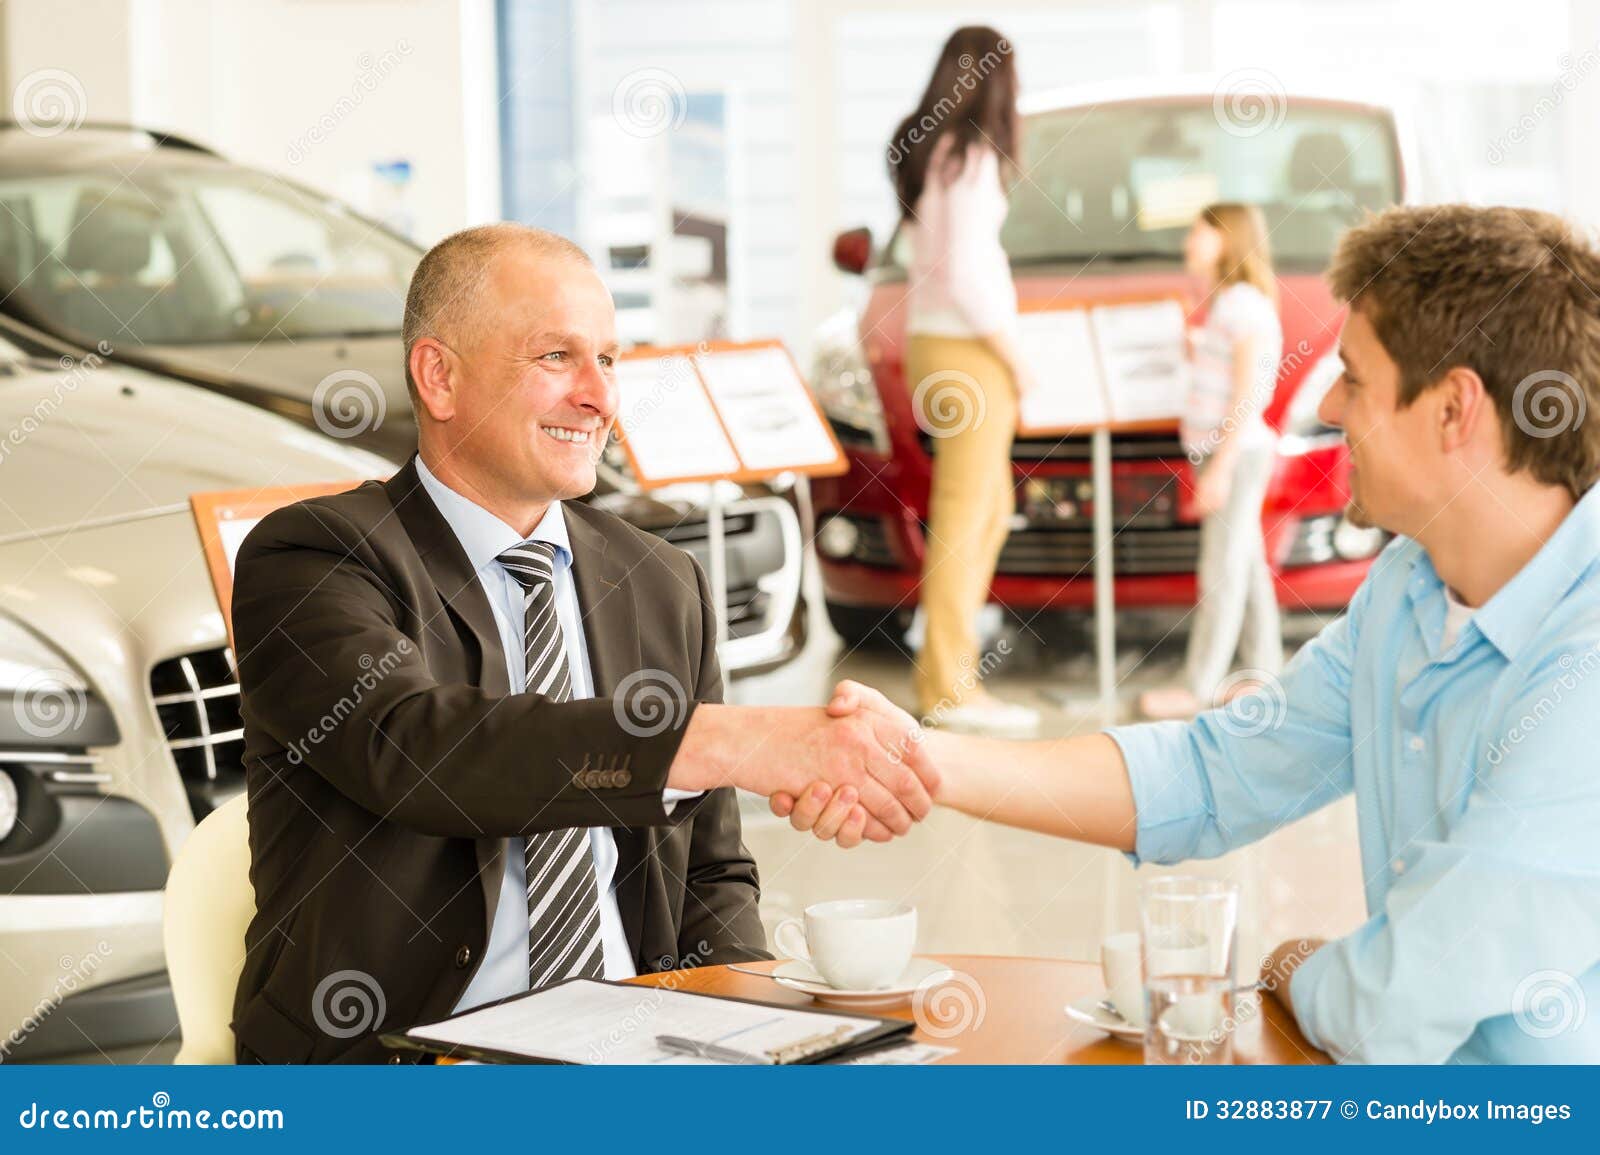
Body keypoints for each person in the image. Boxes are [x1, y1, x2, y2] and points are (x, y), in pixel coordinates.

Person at [780, 204, 1600, 1063]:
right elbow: (1217, 771)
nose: (1325, 403)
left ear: (1454, 409)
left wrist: (1295, 966)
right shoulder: (1408, 587)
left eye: (1353, 378)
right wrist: (921, 757)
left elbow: (1395, 996)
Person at [230, 224, 936, 1063]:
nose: (600, 396)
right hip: (404, 1057)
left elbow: (710, 873)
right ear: (439, 376)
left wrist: (750, 1038)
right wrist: (733, 741)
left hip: (643, 1049)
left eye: (610, 359)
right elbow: (421, 749)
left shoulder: (659, 580)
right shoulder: (313, 556)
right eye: (556, 357)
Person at [891, 25, 1038, 736]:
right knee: (965, 511)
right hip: (969, 348)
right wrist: (1014, 355)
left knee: (983, 504)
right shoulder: (973, 156)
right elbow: (968, 271)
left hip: (935, 342)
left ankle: (952, 672)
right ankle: (949, 685)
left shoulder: (938, 152)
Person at [1141, 204, 1285, 719]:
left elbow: (1250, 391)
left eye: (1198, 231)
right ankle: (1265, 676)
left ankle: (1198, 686)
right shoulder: (1230, 305)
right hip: (1229, 454)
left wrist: (1221, 466)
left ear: (1227, 239)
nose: (1188, 242)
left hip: (1235, 456)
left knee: (1221, 570)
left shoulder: (1241, 304)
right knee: (1245, 568)